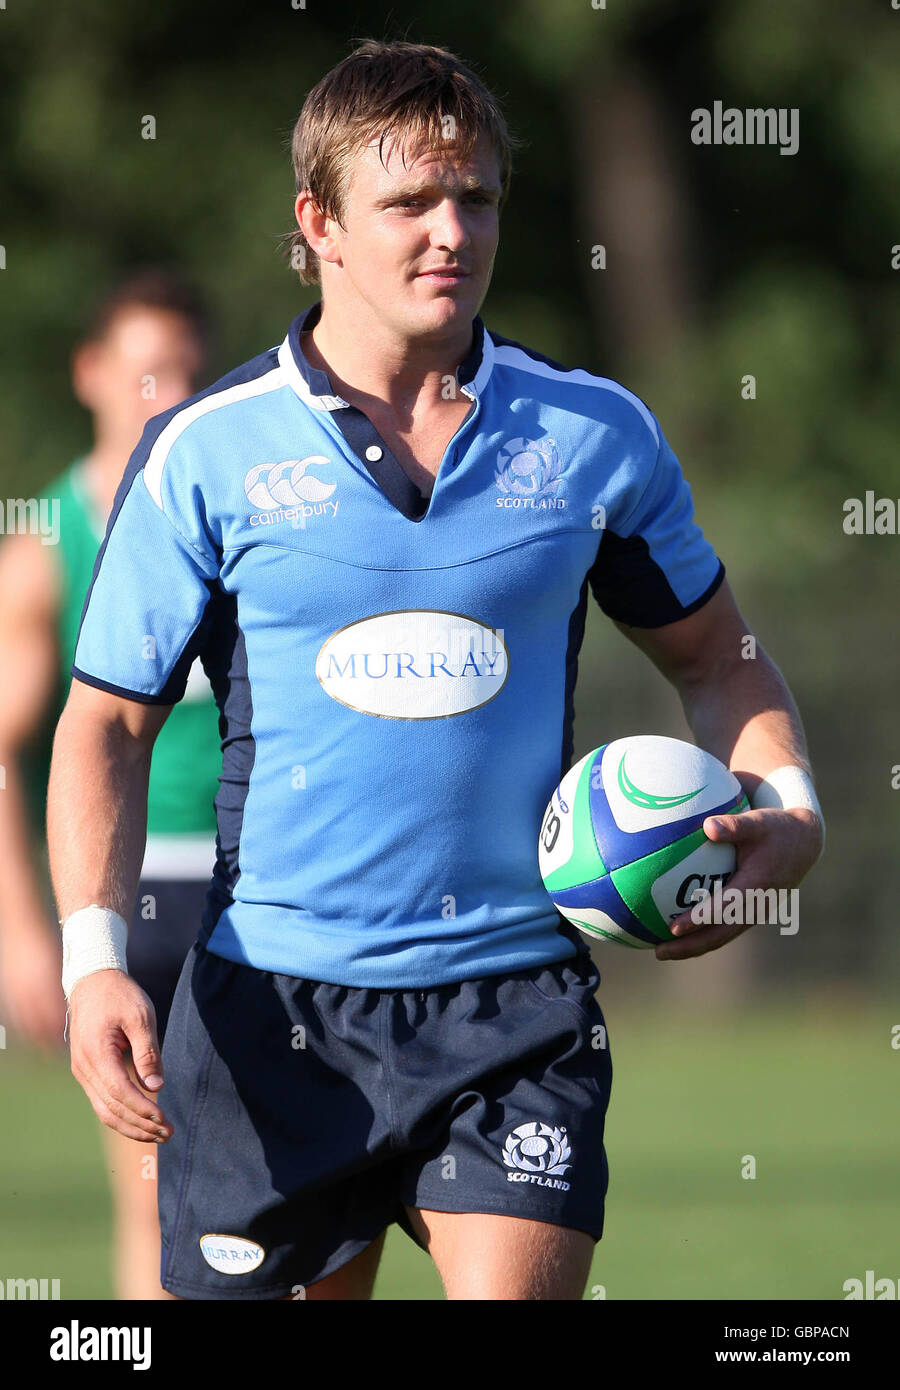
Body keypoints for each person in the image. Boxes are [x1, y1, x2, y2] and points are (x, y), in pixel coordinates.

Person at [47, 41, 823, 1301]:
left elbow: (719, 658)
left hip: (514, 1004)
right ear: (321, 225)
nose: (450, 232)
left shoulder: (593, 436)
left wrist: (791, 809)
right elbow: (106, 728)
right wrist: (93, 962)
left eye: (477, 198)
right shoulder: (203, 454)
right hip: (272, 1009)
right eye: (410, 202)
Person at [0, 269, 221, 1298]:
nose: (164, 396)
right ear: (90, 374)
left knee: (297, 1193)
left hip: (261, 886)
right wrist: (27, 932)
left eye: (184, 372)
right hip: (136, 893)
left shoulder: (242, 503)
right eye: (142, 373)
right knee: (156, 1189)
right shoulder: (49, 545)